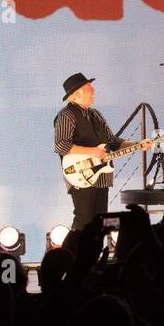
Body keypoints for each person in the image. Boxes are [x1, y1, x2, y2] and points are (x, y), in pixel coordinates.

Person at [54, 73, 124, 232]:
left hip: (101, 176)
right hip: (81, 174)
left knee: (101, 221)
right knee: (84, 218)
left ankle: (93, 254)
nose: (93, 90)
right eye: (88, 87)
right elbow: (61, 145)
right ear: (77, 93)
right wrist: (93, 152)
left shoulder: (95, 114)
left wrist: (138, 144)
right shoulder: (66, 115)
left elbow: (112, 141)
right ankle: (72, 254)